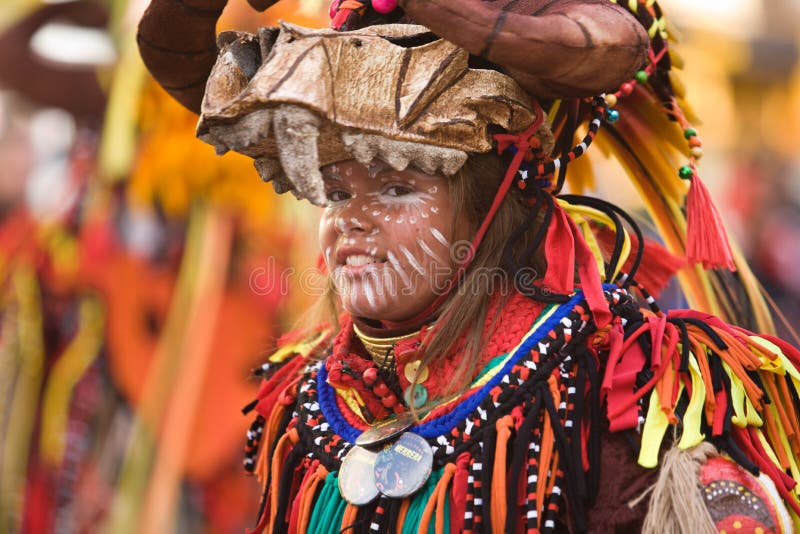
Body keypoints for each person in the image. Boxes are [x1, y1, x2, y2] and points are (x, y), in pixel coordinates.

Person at [138, 0, 800, 532]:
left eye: (398, 189)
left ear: (489, 204)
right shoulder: (307, 390)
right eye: (336, 192)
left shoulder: (622, 381)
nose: (350, 220)